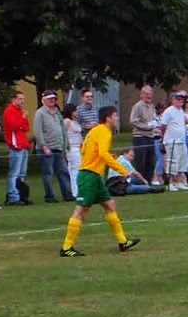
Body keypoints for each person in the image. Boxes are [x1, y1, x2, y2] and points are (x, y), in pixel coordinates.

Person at [58, 105, 140, 256]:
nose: (117, 118)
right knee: (81, 209)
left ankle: (123, 241)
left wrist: (99, 160)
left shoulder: (94, 131)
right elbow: (102, 153)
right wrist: (122, 170)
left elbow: (85, 150)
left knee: (110, 205)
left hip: (94, 176)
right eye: (115, 116)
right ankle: (66, 248)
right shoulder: (104, 131)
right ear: (108, 118)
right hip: (89, 176)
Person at [35, 91, 75, 203]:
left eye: (53, 98)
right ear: (43, 100)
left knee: (63, 171)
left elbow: (62, 129)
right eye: (49, 99)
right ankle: (49, 196)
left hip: (58, 147)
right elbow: (38, 132)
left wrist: (66, 144)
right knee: (48, 173)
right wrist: (44, 146)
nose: (52, 100)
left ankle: (67, 194)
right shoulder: (40, 113)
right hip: (47, 148)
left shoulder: (57, 112)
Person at [1, 91, 33, 206]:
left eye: (23, 99)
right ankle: (13, 196)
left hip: (23, 143)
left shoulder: (20, 111)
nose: (22, 101)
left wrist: (22, 121)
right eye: (20, 99)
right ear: (13, 99)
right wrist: (22, 119)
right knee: (14, 172)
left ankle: (21, 194)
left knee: (22, 172)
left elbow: (26, 127)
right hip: (15, 144)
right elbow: (13, 126)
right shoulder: (9, 111)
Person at [159, 90, 188, 190]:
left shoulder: (181, 111)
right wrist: (166, 137)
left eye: (182, 100)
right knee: (173, 162)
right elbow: (163, 126)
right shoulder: (169, 111)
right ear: (173, 100)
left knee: (183, 162)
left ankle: (179, 181)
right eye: (178, 99)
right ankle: (170, 183)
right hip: (172, 141)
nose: (180, 101)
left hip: (182, 141)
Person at [129, 86, 160, 185]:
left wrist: (155, 127)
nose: (149, 96)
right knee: (140, 162)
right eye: (146, 94)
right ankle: (139, 183)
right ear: (142, 95)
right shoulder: (138, 106)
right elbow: (133, 121)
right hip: (140, 137)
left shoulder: (152, 106)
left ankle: (148, 182)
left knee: (151, 161)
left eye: (150, 94)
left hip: (150, 137)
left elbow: (153, 120)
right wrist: (147, 127)